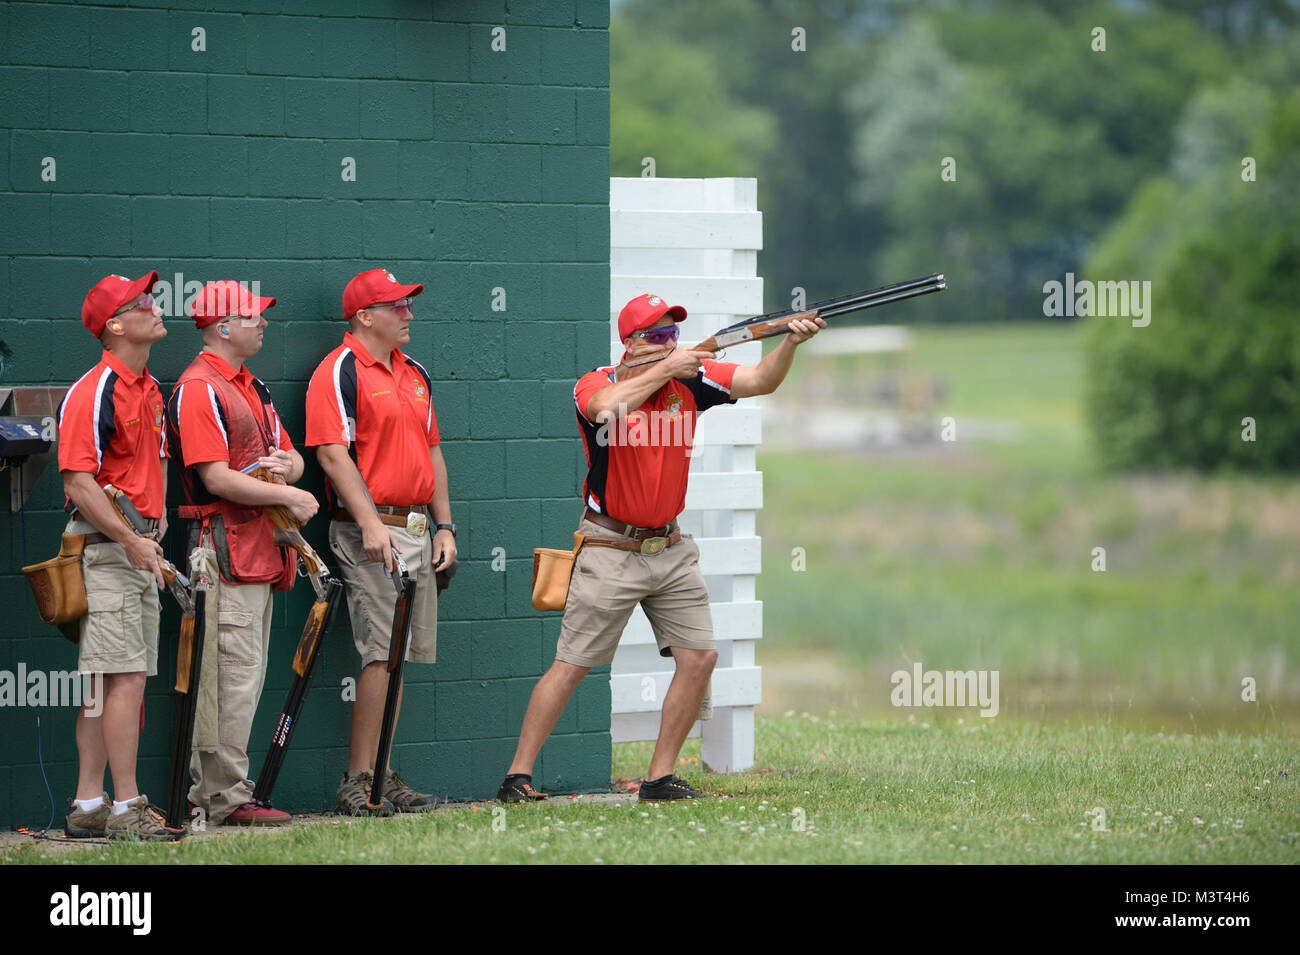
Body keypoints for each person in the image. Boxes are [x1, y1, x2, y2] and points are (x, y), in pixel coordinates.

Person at [497, 293, 825, 803]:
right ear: (629, 343)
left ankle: (659, 778)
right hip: (610, 546)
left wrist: (789, 342)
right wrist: (669, 366)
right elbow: (605, 409)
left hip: (670, 548)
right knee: (572, 665)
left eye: (673, 335)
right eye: (656, 335)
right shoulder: (599, 382)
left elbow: (761, 380)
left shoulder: (692, 380)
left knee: (700, 658)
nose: (669, 343)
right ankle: (517, 778)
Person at [305, 268, 457, 815]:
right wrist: (370, 523)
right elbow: (330, 453)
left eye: (409, 304)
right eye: (397, 306)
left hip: (416, 529)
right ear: (365, 316)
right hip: (368, 530)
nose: (408, 313)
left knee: (400, 657)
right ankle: (359, 779)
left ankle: (383, 775)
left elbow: (433, 451)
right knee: (380, 654)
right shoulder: (339, 370)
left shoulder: (413, 371)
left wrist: (446, 527)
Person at [166, 280, 318, 826]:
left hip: (256, 548)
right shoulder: (198, 386)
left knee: (242, 674)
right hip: (221, 548)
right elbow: (215, 479)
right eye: (255, 316)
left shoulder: (253, 386)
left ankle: (225, 793)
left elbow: (293, 456)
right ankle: (221, 798)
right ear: (223, 327)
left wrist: (290, 472)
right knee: (229, 675)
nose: (265, 324)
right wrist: (289, 493)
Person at [59, 270, 176, 840]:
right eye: (143, 302)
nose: (156, 306)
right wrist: (131, 541)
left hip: (134, 549)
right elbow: (80, 482)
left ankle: (87, 806)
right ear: (114, 324)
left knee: (107, 681)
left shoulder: (149, 386)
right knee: (123, 678)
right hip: (110, 550)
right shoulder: (95, 388)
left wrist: (146, 539)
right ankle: (127, 809)